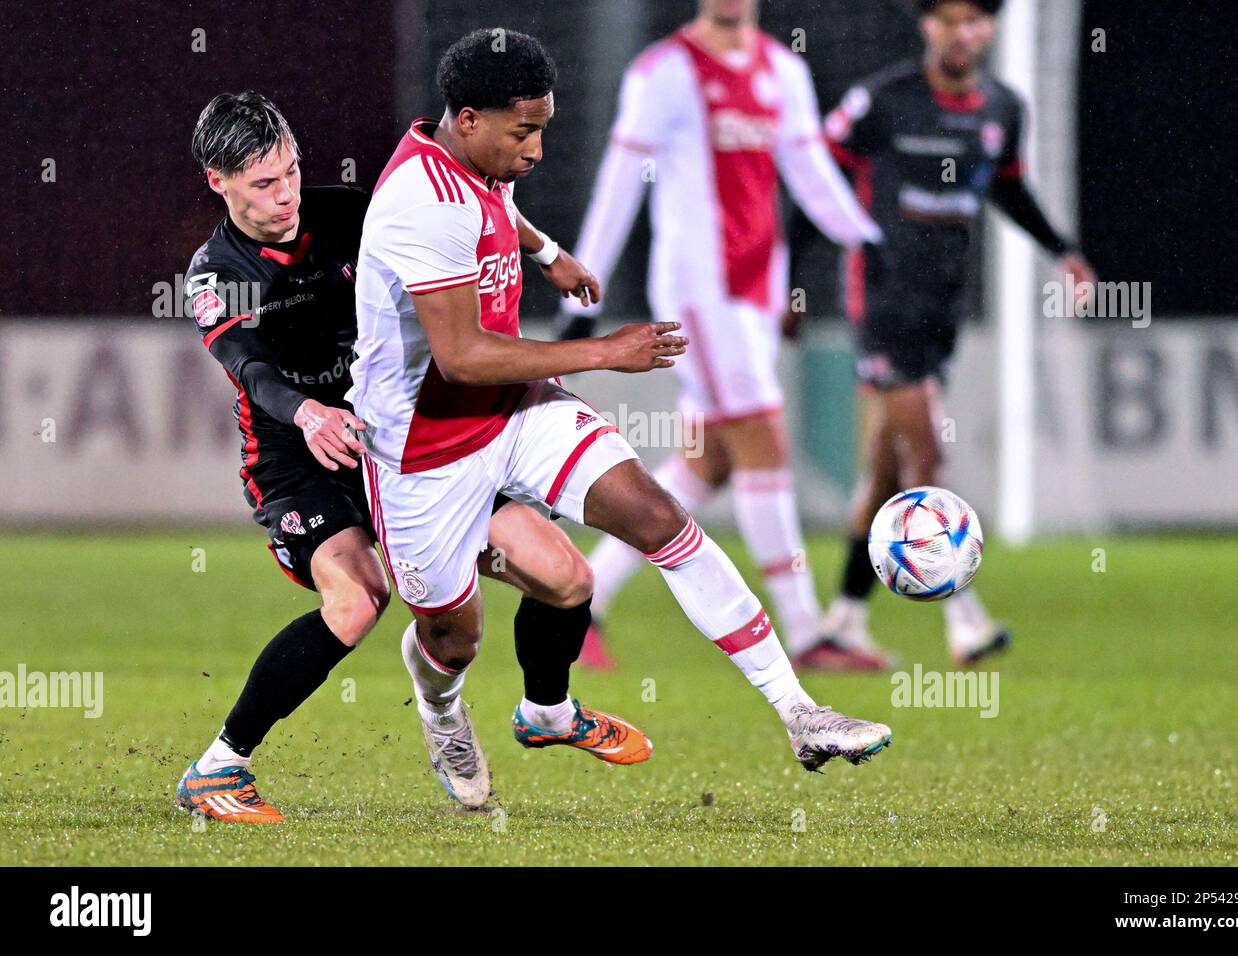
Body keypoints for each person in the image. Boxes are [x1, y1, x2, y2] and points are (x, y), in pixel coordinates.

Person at [350, 29, 892, 808]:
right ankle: (440, 708)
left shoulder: (479, 159)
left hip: (512, 415)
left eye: (543, 128)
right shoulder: (418, 203)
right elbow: (463, 357)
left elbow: (500, 208)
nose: (535, 150)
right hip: (424, 445)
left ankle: (798, 710)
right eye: (523, 131)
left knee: (654, 514)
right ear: (467, 119)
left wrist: (548, 255)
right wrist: (603, 353)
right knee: (452, 636)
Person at [175, 92, 644, 824]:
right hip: (299, 456)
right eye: (264, 184)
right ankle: (218, 767)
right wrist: (307, 410)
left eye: (292, 172)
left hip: (402, 435)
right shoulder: (216, 273)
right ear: (219, 182)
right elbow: (250, 369)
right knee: (358, 598)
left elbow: (466, 212)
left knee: (565, 575)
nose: (286, 194)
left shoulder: (354, 210)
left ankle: (546, 711)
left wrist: (545, 252)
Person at [556, 0, 887, 672]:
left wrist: (865, 237)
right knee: (763, 438)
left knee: (709, 462)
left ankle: (582, 604)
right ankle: (807, 633)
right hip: (698, 293)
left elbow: (808, 172)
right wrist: (586, 286)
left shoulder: (782, 70)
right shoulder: (665, 71)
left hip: (756, 293)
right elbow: (622, 181)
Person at [813, 0, 1096, 665]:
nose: (959, 33)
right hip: (881, 299)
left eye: (973, 21)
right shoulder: (881, 101)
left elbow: (1009, 188)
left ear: (990, 28)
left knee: (884, 473)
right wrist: (792, 272)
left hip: (943, 305)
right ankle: (964, 618)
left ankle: (845, 620)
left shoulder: (1003, 108)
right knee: (927, 454)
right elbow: (812, 173)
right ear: (924, 26)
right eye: (945, 20)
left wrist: (1064, 251)